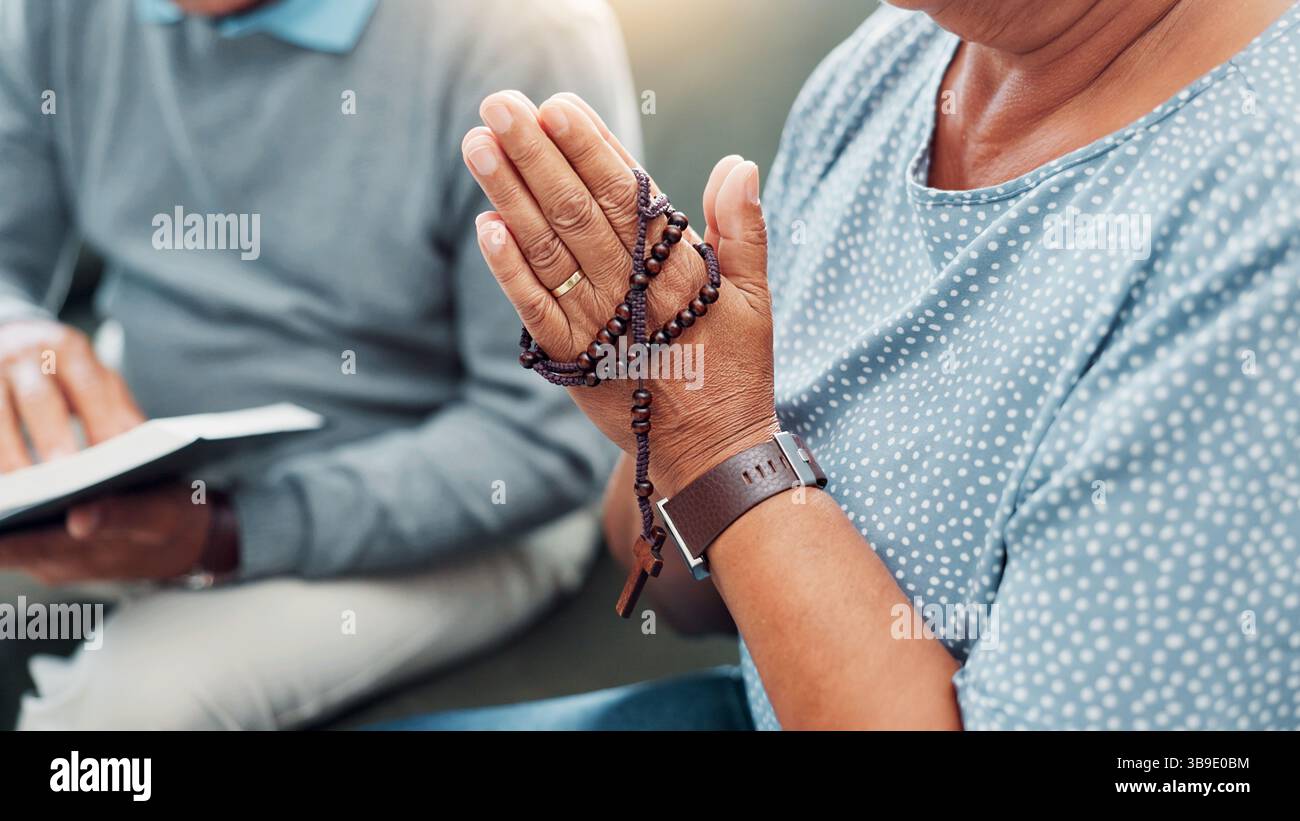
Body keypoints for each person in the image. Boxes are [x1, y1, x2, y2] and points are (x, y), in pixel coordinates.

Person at [388, 0, 1300, 729]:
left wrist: (714, 441)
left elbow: (720, 465)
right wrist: (658, 396)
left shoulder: (1263, 223)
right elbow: (685, 589)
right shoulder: (897, 58)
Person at [0, 0, 637, 729]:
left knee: (113, 718)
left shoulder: (520, 37)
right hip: (145, 463)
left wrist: (231, 532)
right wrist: (14, 332)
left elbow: (548, 441)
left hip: (463, 502)